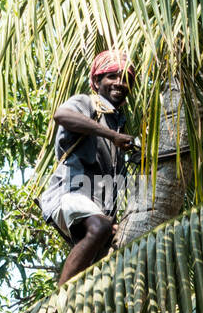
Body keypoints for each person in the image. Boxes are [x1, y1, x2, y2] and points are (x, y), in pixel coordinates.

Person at [38, 50, 137, 288]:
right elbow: (61, 115)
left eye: (125, 79)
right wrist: (112, 136)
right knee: (99, 226)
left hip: (98, 208)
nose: (120, 83)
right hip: (70, 193)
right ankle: (61, 298)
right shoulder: (87, 102)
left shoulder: (119, 121)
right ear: (96, 82)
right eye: (112, 76)